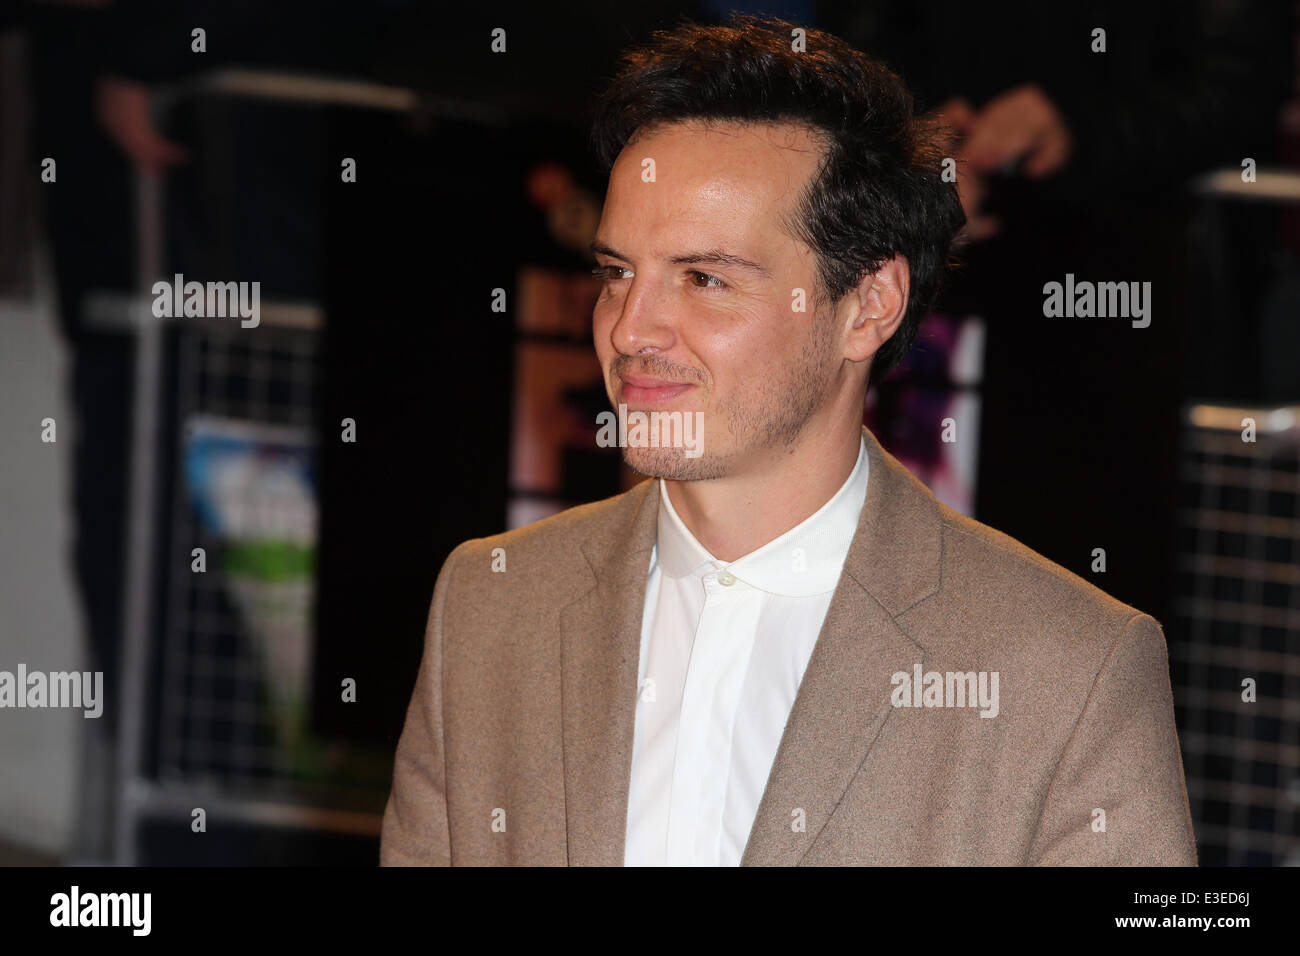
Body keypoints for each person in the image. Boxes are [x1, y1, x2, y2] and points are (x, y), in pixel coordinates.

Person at [380, 15, 1196, 866]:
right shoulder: (489, 606)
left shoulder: (1068, 669)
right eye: (617, 272)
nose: (630, 330)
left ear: (868, 305)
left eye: (704, 278)